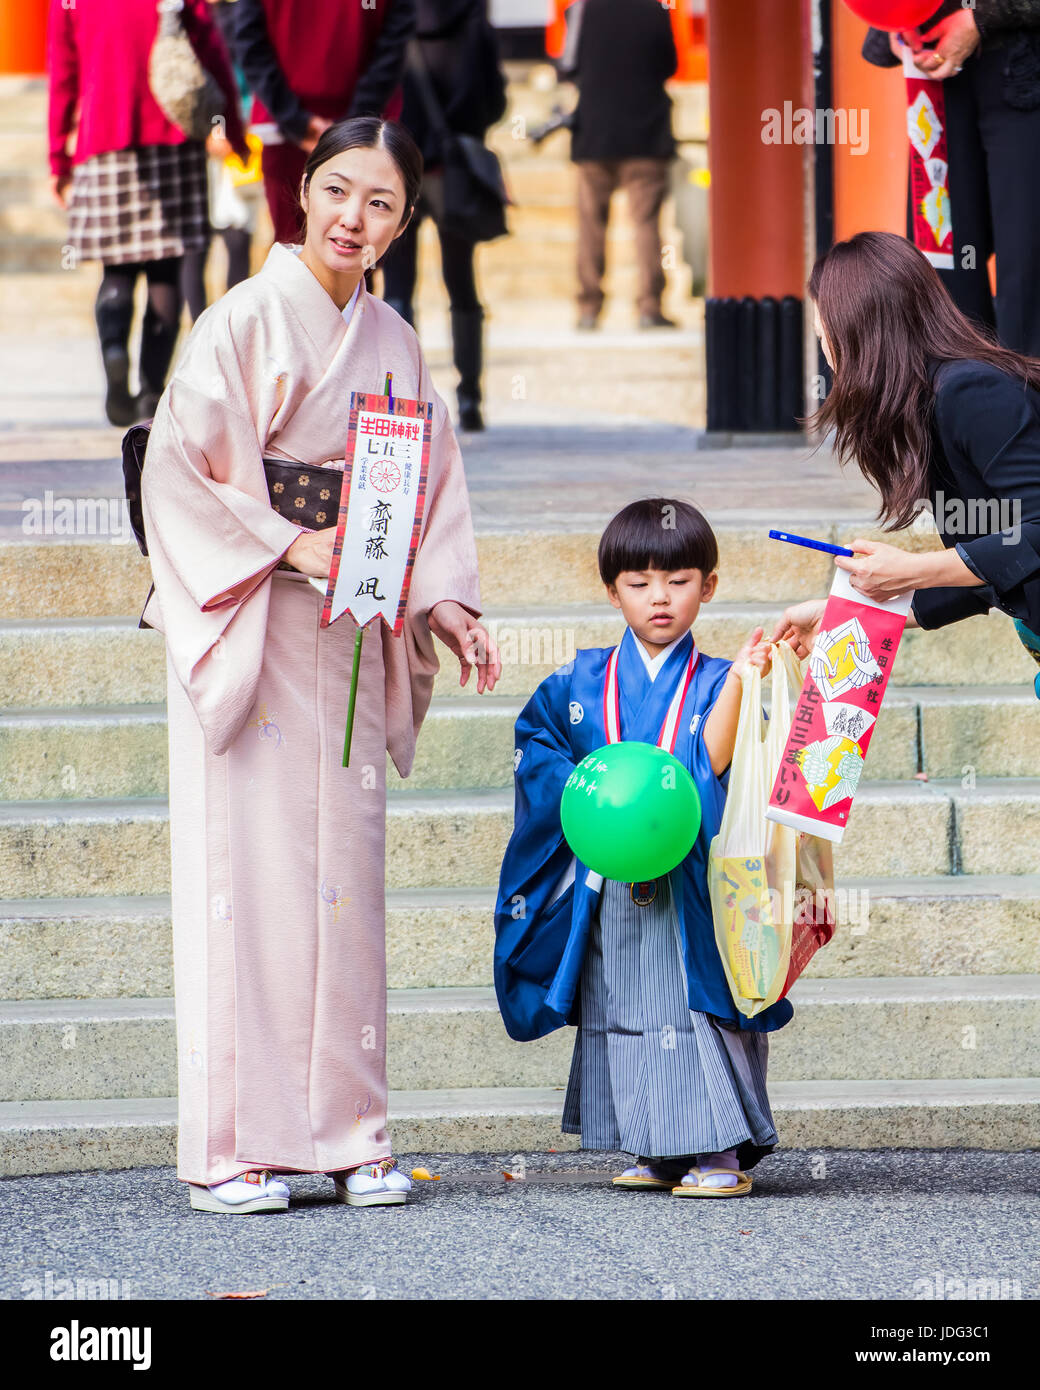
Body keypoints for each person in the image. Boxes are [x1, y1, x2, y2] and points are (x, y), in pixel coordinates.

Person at [141, 117, 501, 1214]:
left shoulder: (392, 338)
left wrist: (442, 599)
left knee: (346, 890)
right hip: (249, 619)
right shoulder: (240, 321)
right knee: (243, 885)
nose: (354, 218)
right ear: (301, 192)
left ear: (403, 220)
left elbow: (424, 481)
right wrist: (285, 540)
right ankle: (228, 1147)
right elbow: (179, 470)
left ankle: (351, 1134)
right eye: (338, 192)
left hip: (351, 625)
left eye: (380, 203)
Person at [494, 498, 783, 1198]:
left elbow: (710, 764)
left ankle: (718, 1150)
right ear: (611, 590)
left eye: (679, 580)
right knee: (627, 1005)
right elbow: (538, 750)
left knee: (694, 1005)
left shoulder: (719, 679)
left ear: (708, 587)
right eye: (639, 582)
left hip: (691, 879)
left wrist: (745, 679)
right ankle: (654, 1146)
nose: (660, 597)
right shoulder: (577, 684)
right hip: (611, 878)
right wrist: (586, 791)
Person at [774, 230, 1040, 700]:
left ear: (862, 333)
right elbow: (989, 565)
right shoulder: (932, 406)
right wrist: (849, 615)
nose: (831, 360)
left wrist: (915, 568)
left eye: (827, 338)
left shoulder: (972, 393)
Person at [47, 0, 249, 426]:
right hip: (173, 139)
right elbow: (210, 51)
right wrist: (231, 122)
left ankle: (115, 353)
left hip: (105, 140)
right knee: (165, 272)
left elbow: (63, 74)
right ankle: (150, 395)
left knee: (116, 270)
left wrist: (57, 158)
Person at [862, 2, 1040, 355]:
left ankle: (1029, 403)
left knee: (1028, 269)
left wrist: (980, 18)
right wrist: (898, 24)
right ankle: (966, 400)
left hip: (1024, 70)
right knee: (945, 274)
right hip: (939, 81)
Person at [381, 0, 508, 432]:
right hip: (453, 169)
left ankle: (399, 397)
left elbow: (378, 86)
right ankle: (471, 398)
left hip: (399, 167)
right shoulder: (473, 18)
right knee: (462, 281)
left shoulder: (394, 16)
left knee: (398, 286)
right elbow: (495, 100)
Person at [225, 0, 416, 244]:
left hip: (296, 122)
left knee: (298, 244)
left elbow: (248, 40)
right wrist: (350, 122)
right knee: (353, 246)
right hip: (347, 123)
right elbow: (393, 44)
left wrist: (294, 118)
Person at [562, 0, 679, 331]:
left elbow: (568, 65)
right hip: (646, 133)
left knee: (590, 224)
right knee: (646, 223)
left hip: (595, 133)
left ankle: (588, 307)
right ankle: (650, 306)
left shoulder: (582, 10)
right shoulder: (656, 11)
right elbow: (668, 65)